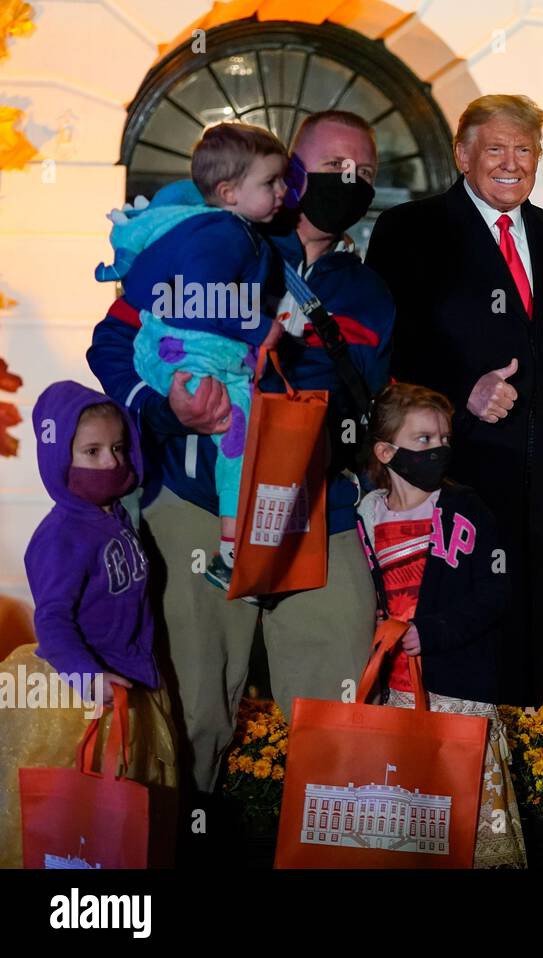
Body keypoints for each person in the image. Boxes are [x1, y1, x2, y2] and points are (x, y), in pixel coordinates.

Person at [85, 110, 394, 797]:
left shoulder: (372, 293)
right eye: (333, 166)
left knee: (336, 724)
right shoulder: (216, 242)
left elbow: (383, 409)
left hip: (318, 515)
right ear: (292, 170)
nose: (349, 182)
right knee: (188, 719)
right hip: (196, 507)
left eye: (364, 173)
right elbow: (112, 343)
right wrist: (167, 409)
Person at [366, 94, 543, 709]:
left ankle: (508, 791)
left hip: (535, 484)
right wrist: (462, 388)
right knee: (448, 644)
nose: (511, 163)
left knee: (523, 648)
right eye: (495, 148)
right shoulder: (408, 231)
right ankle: (439, 787)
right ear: (463, 155)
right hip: (445, 477)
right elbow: (388, 350)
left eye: (525, 150)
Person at [95, 122, 289, 594]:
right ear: (228, 191)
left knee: (236, 445)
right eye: (272, 182)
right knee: (238, 443)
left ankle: (233, 550)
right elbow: (204, 299)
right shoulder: (224, 233)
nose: (286, 192)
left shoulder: (206, 224)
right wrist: (263, 329)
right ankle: (233, 549)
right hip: (193, 355)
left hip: (179, 350)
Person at [0, 382, 178, 868]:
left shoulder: (115, 516)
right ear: (60, 456)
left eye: (118, 449)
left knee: (123, 820)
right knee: (75, 822)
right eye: (92, 452)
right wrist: (86, 676)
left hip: (128, 685)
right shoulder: (61, 536)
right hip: (83, 700)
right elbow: (52, 619)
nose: (110, 463)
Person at [355, 382, 527, 868]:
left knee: (463, 825)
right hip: (389, 697)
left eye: (444, 439)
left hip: (456, 692)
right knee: (403, 831)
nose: (439, 450)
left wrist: (430, 632)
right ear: (386, 451)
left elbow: (495, 594)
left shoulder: (466, 508)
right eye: (424, 440)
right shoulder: (363, 515)